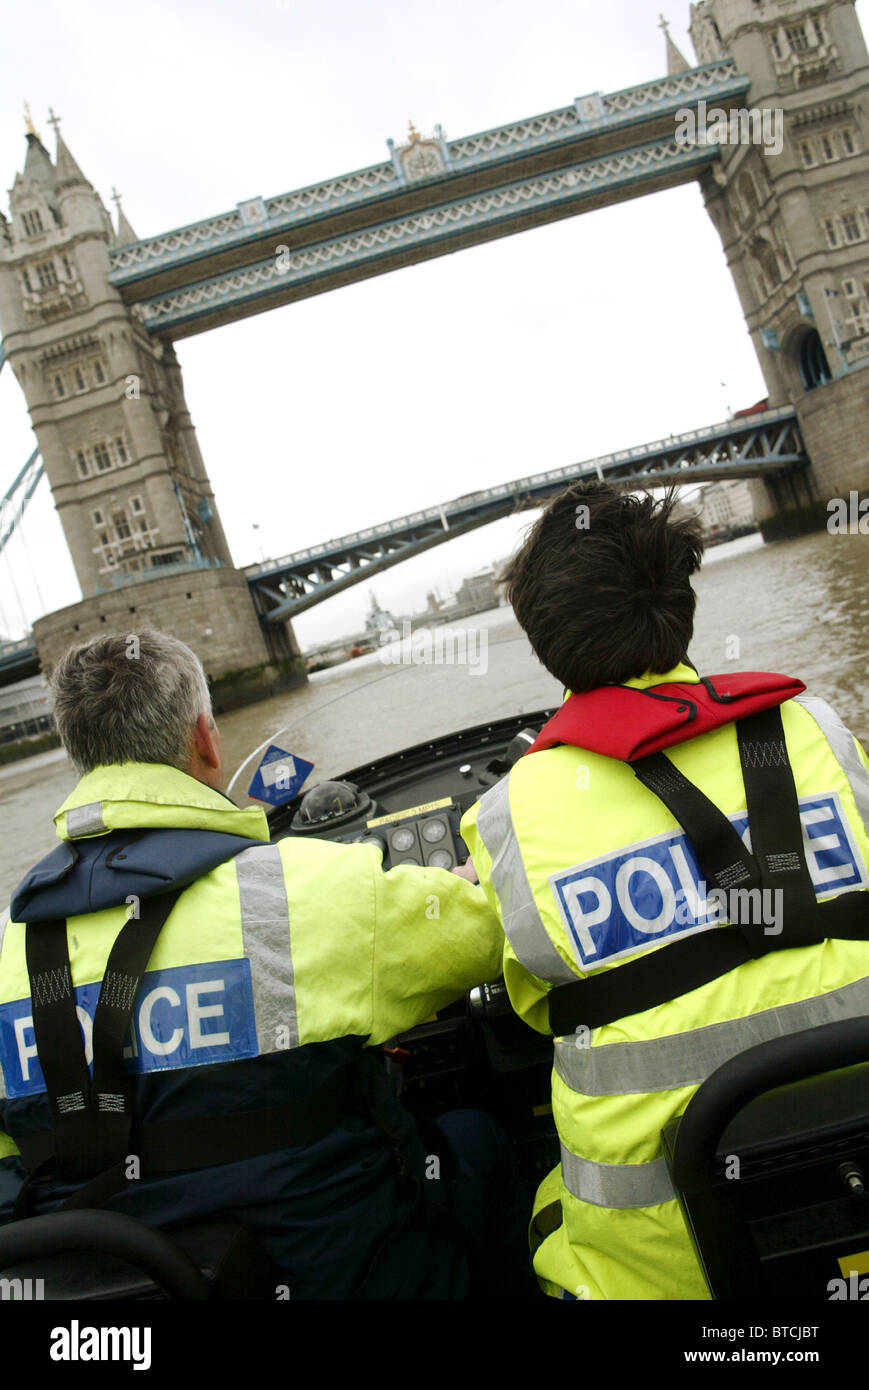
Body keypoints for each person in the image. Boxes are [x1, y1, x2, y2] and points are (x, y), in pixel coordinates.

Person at [0, 630, 526, 1299]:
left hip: (116, 1305)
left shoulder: (10, 949)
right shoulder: (303, 890)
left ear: (80, 756)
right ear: (206, 740)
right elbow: (490, 931)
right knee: (476, 1138)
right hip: (337, 1273)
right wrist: (469, 873)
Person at [459, 482, 869, 1301]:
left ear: (546, 641)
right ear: (681, 600)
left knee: (518, 1200)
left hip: (674, 1275)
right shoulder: (815, 728)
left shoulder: (509, 818)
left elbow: (528, 999)